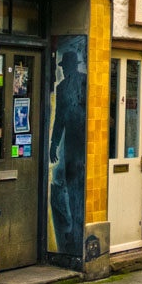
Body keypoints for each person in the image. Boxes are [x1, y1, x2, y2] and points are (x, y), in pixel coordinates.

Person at [49, 49, 86, 254]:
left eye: (65, 67)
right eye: (62, 68)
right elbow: (59, 118)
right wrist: (54, 144)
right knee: (71, 188)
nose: (63, 71)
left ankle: (79, 231)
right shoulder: (61, 87)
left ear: (73, 66)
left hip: (83, 142)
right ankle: (74, 230)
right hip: (70, 143)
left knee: (80, 188)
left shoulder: (85, 82)